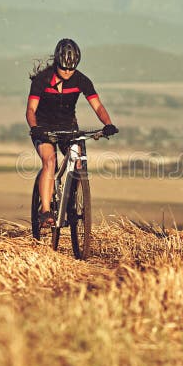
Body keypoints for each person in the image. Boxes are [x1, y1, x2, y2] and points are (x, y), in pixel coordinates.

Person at [26, 38, 117, 227]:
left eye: (72, 68)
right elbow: (30, 110)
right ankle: (45, 211)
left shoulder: (81, 80)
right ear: (57, 63)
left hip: (68, 126)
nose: (68, 72)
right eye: (64, 68)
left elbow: (97, 106)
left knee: (78, 161)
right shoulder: (42, 80)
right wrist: (35, 128)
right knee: (49, 162)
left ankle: (73, 196)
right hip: (43, 127)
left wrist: (107, 123)